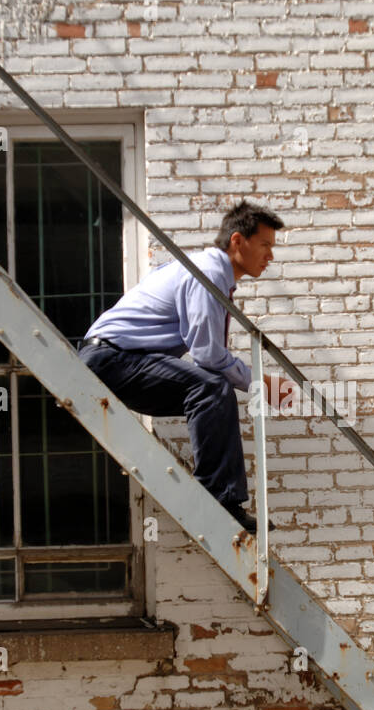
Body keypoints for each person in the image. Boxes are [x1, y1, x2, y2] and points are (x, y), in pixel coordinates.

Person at [78, 200, 294, 533]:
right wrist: (259, 384)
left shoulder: (211, 273)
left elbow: (206, 355)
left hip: (123, 359)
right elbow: (207, 354)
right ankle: (217, 502)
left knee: (211, 390)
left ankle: (219, 499)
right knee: (211, 387)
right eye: (265, 245)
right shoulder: (208, 273)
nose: (271, 256)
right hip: (112, 359)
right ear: (238, 241)